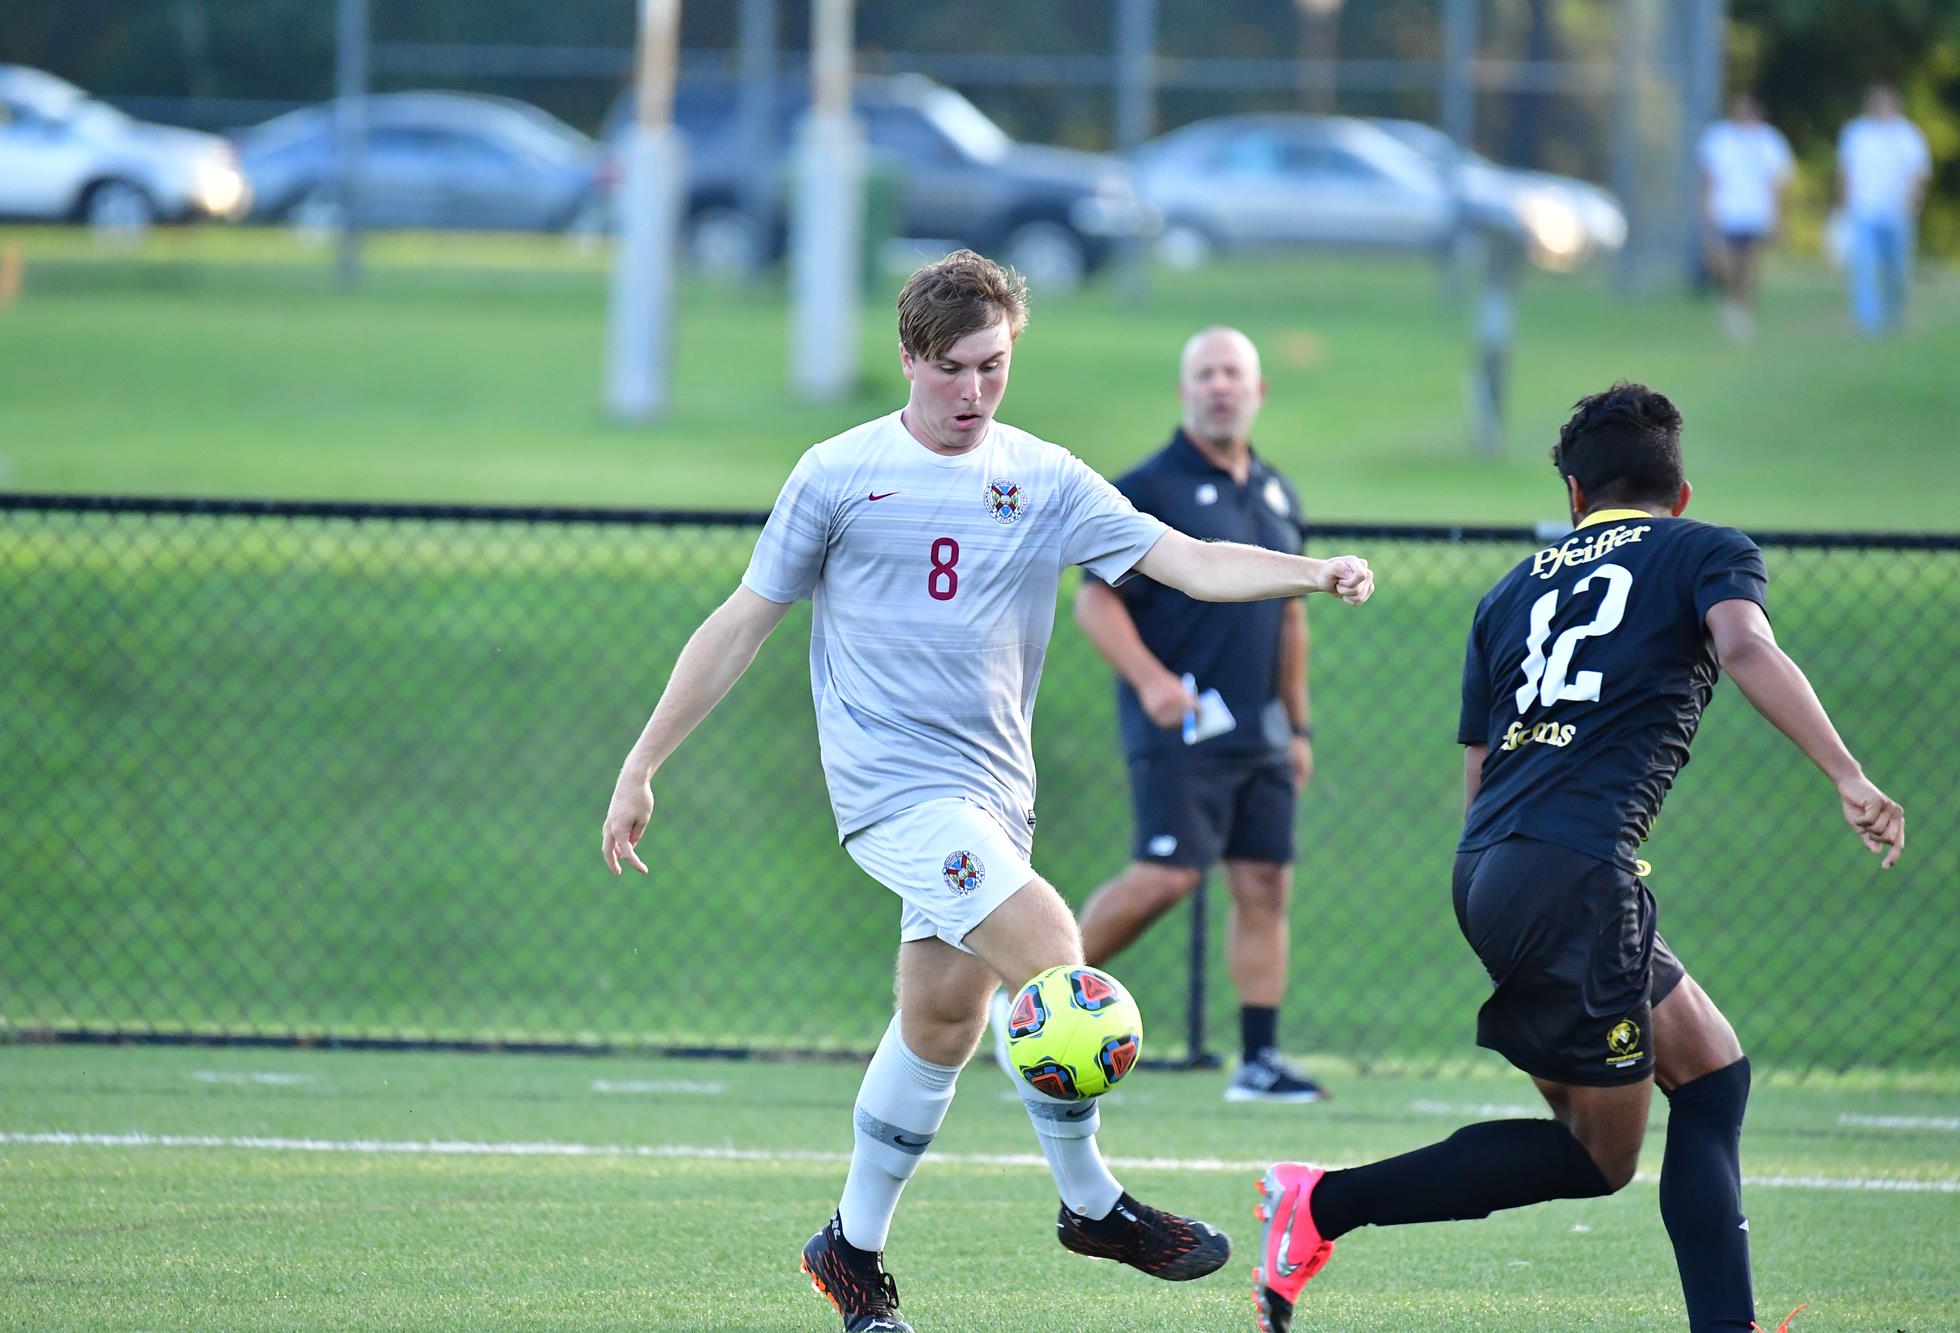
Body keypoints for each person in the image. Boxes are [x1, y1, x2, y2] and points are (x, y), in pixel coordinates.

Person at [598, 250, 1375, 1333]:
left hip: (991, 794)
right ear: (910, 357)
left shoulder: (1043, 476)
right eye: (955, 368)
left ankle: (849, 1251)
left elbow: (1190, 561)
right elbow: (739, 623)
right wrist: (641, 765)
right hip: (891, 793)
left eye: (994, 368)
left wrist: (1312, 569)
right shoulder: (837, 471)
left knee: (943, 1017)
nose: (974, 392)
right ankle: (1089, 1202)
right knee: (1055, 953)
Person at [1251, 383, 1904, 1333]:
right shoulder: (1705, 548)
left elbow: (1481, 767)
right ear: (1679, 492)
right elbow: (1748, 646)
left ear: (1572, 493)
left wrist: (1514, 896)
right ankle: (1320, 1203)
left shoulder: (1508, 590)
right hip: (1575, 876)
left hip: (1498, 867)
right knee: (1599, 1159)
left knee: (1714, 1076)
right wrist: (1847, 774)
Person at [1070, 325, 1326, 1103]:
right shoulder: (1148, 487)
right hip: (1179, 726)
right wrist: (1150, 682)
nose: (1220, 387)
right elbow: (1094, 601)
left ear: (1258, 391)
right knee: (1167, 876)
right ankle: (1034, 1003)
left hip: (1260, 734)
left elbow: (1289, 617)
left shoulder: (1279, 492)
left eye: (1233, 374)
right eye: (1205, 374)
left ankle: (1258, 1059)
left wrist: (1299, 723)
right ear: (1185, 390)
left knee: (1265, 882)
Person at [1697, 95, 1794, 340]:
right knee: (1726, 262)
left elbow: (1777, 182)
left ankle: (1743, 311)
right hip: (1728, 211)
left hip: (1756, 213)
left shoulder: (1769, 140)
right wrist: (1707, 207)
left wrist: (1778, 214)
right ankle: (1732, 301)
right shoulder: (1720, 139)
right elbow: (1710, 177)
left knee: (1750, 265)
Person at [1837, 84, 1932, 334]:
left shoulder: (1908, 134)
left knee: (1896, 268)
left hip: (1897, 211)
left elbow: (1919, 171)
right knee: (1865, 267)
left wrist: (1913, 200)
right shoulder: (1857, 133)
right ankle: (1868, 322)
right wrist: (1845, 202)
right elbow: (1846, 171)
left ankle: (1894, 314)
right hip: (1864, 208)